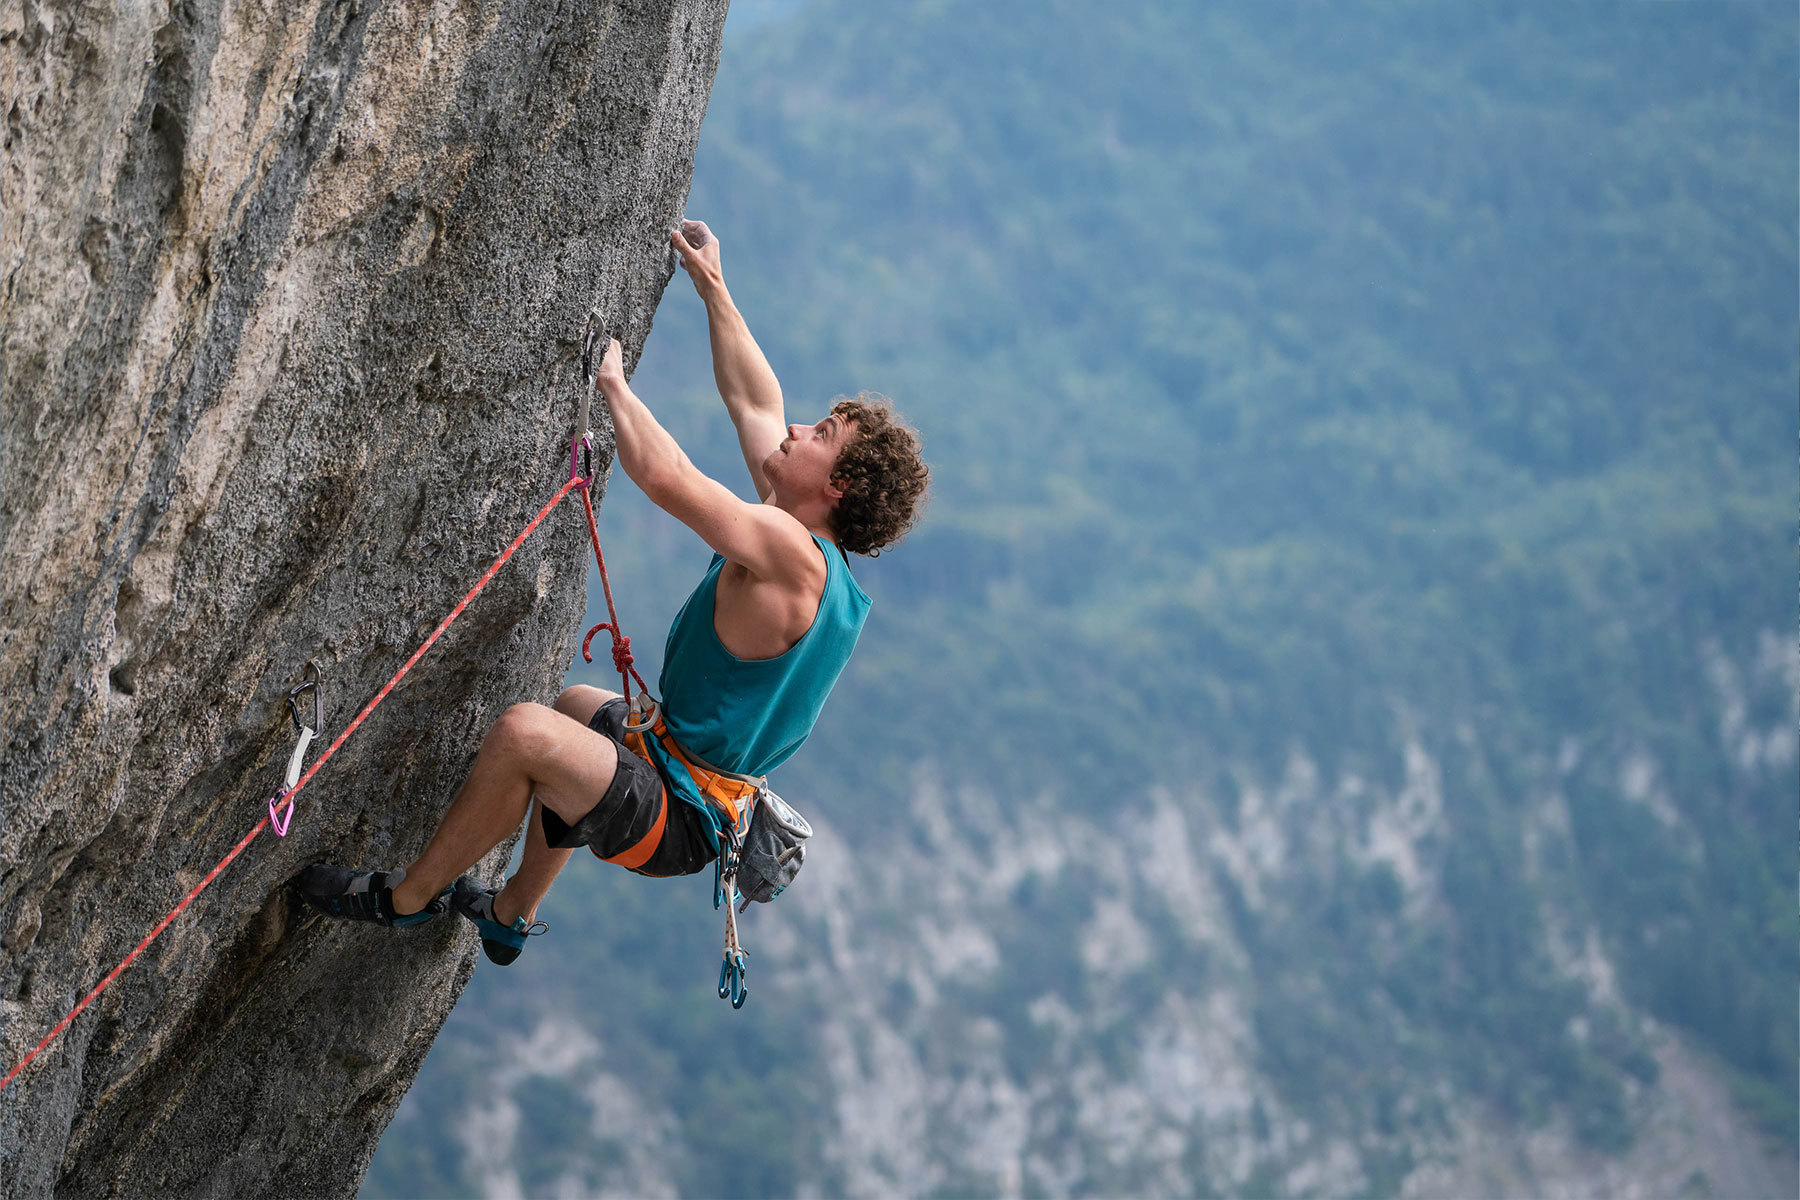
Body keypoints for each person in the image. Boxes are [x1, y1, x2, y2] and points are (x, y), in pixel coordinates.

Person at [298, 220, 929, 964]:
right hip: (683, 779)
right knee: (574, 709)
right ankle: (509, 914)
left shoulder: (792, 556)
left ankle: (403, 901)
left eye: (819, 433)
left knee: (525, 735)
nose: (796, 428)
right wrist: (714, 289)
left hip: (680, 817)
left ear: (838, 484)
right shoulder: (809, 549)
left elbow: (668, 479)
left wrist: (614, 389)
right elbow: (756, 403)